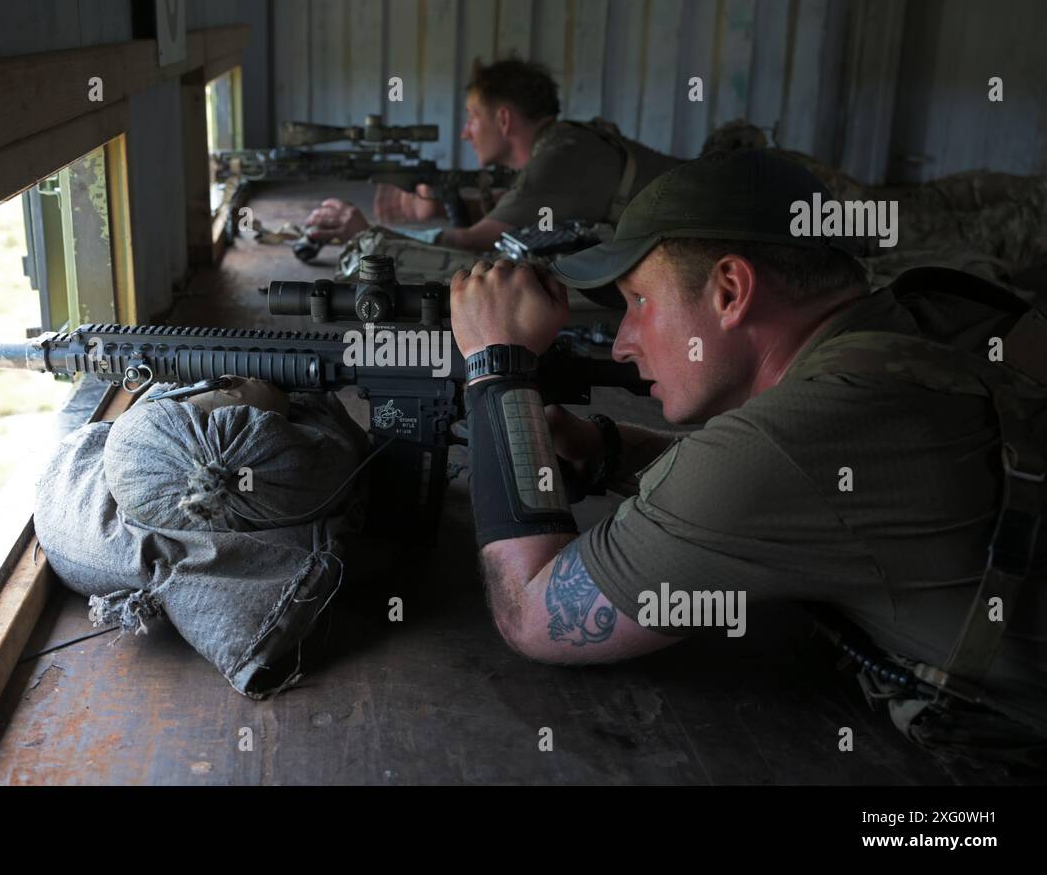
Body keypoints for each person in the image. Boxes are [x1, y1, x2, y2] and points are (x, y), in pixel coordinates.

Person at [449, 148, 1047, 766]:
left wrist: (495, 365)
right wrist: (610, 453)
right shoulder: (929, 318)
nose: (624, 343)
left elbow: (533, 611)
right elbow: (803, 485)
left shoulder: (799, 442)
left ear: (731, 291)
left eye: (638, 301)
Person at [304, 58, 680, 253]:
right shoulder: (565, 145)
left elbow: (474, 244)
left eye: (472, 117)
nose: (465, 131)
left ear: (503, 119)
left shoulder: (556, 164)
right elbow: (518, 209)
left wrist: (367, 234)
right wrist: (435, 209)